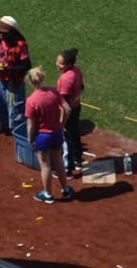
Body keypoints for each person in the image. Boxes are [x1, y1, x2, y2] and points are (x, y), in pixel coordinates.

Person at [23, 67, 75, 203]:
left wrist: (30, 140)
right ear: (43, 78)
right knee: (59, 163)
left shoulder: (31, 101)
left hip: (42, 137)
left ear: (30, 82)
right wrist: (61, 124)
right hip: (56, 133)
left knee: (45, 166)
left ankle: (48, 195)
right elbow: (68, 109)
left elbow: (30, 125)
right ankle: (65, 190)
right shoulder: (54, 92)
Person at [0, 16, 30, 136]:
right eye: (0, 31)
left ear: (12, 32)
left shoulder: (20, 45)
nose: (0, 34)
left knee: (15, 107)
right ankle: (1, 125)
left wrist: (8, 69)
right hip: (0, 79)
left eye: (3, 32)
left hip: (14, 81)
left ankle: (17, 131)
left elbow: (26, 66)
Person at [56, 48, 87, 176]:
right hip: (76, 107)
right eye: (57, 61)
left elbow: (65, 105)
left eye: (61, 63)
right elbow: (81, 87)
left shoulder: (65, 80)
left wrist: (61, 121)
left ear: (69, 64)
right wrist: (76, 97)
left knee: (66, 139)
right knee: (75, 134)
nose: (57, 65)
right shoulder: (77, 69)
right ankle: (78, 161)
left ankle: (68, 169)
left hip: (68, 111)